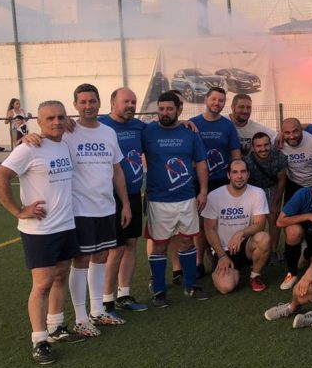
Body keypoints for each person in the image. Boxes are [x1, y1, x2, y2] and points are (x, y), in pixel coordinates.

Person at [0, 101, 79, 364]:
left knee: (61, 276)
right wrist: (18, 210)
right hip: (40, 230)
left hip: (65, 224)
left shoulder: (63, 143)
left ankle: (56, 327)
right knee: (42, 284)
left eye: (61, 117)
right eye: (50, 118)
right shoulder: (29, 147)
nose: (56, 122)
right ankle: (39, 341)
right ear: (38, 122)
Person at [58, 84, 132, 335]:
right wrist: (30, 135)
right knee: (80, 261)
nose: (88, 106)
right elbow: (44, 136)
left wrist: (125, 204)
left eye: (92, 101)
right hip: (80, 209)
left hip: (106, 207)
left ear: (100, 103)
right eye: (83, 102)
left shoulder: (108, 132)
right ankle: (80, 318)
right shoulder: (67, 131)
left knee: (101, 257)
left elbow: (117, 171)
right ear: (75, 104)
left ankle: (97, 311)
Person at [142, 91, 209, 306]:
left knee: (186, 241)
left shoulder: (190, 132)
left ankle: (191, 285)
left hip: (186, 197)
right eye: (161, 109)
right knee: (160, 245)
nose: (165, 113)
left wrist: (203, 191)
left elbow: (200, 163)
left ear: (179, 109)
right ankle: (159, 291)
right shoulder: (148, 131)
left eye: (169, 109)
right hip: (158, 200)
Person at [98, 87, 149, 313]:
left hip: (134, 194)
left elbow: (163, 130)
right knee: (115, 249)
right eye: (126, 101)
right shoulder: (100, 125)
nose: (130, 105)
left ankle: (124, 295)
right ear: (113, 103)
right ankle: (106, 301)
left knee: (130, 245)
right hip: (111, 197)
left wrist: (187, 123)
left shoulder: (139, 125)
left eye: (133, 102)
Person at [191, 86, 242, 273]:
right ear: (206, 99)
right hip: (198, 181)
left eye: (221, 100)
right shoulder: (192, 123)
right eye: (214, 99)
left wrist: (237, 174)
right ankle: (198, 262)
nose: (217, 103)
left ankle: (219, 256)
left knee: (218, 223)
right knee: (199, 224)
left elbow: (235, 153)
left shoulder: (227, 125)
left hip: (221, 180)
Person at [204, 159, 272, 294]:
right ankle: (219, 267)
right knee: (226, 287)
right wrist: (222, 256)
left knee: (263, 238)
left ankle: (255, 275)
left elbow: (260, 224)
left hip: (245, 245)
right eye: (234, 172)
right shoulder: (214, 196)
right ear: (228, 175)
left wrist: (240, 233)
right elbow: (209, 229)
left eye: (243, 172)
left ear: (248, 174)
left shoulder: (257, 193)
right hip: (224, 249)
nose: (239, 176)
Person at [243, 131, 288, 259]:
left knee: (274, 217)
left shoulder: (279, 157)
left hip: (272, 186)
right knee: (254, 221)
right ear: (253, 147)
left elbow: (282, 180)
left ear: (270, 144)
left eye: (266, 145)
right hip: (254, 189)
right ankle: (253, 249)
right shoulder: (247, 161)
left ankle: (273, 251)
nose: (263, 149)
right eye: (259, 146)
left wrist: (275, 203)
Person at [280, 118, 312, 202]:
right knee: (289, 213)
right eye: (287, 133)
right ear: (282, 133)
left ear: (301, 130)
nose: (292, 136)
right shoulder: (278, 142)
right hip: (294, 183)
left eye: (295, 131)